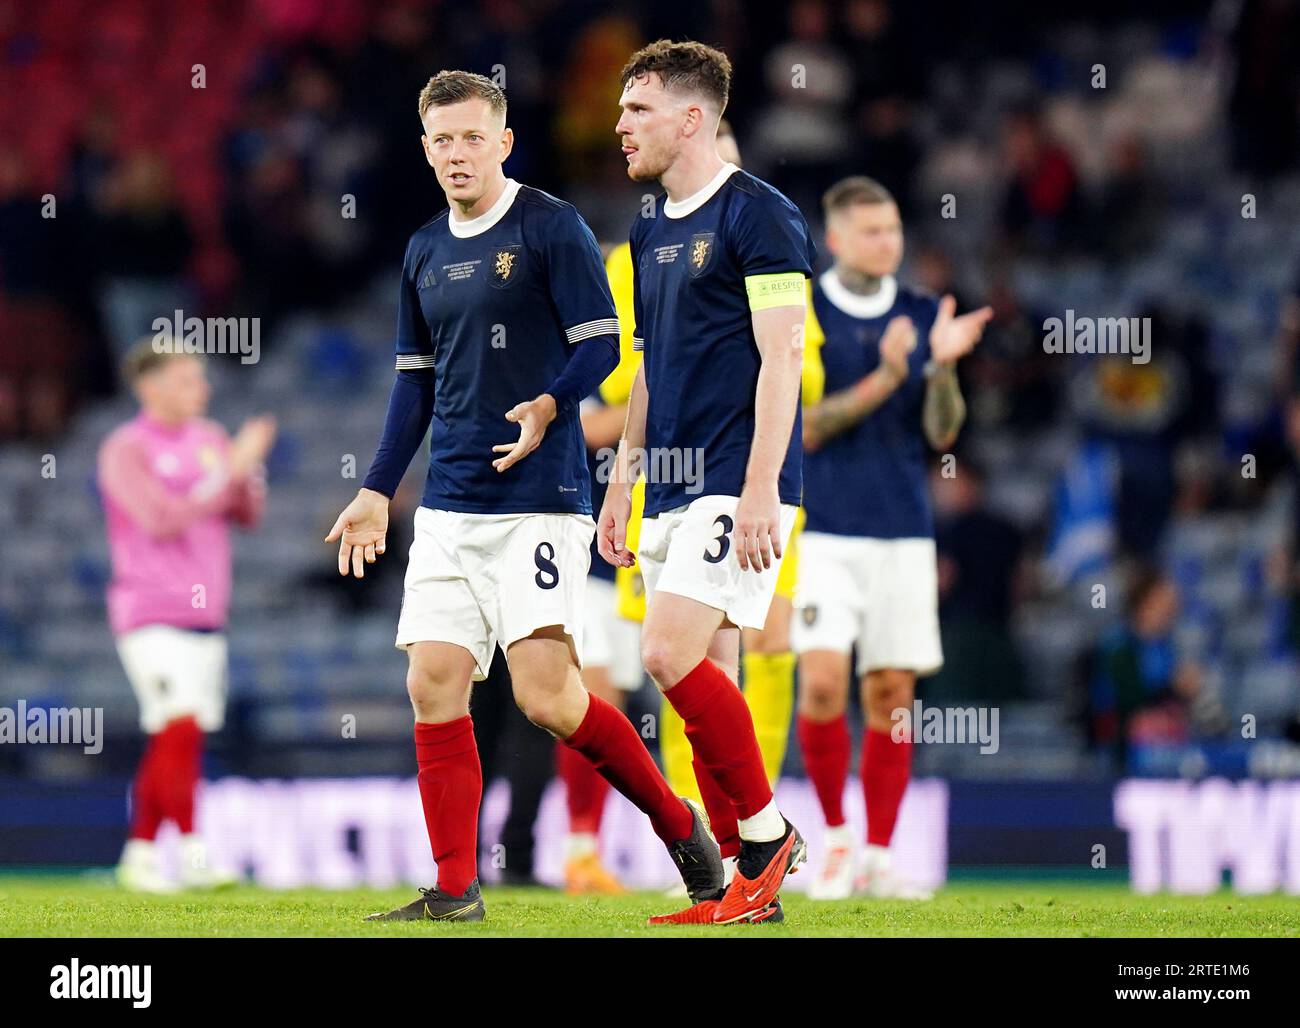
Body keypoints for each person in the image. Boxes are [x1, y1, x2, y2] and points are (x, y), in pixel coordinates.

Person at [325, 70, 723, 924]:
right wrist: (374, 489)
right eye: (443, 140)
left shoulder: (551, 226)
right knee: (433, 683)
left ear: (503, 141)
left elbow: (603, 343)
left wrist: (551, 405)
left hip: (539, 500)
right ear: (425, 148)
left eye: (474, 137)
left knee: (549, 699)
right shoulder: (424, 247)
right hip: (447, 508)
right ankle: (454, 888)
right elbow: (413, 382)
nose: (458, 153)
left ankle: (677, 823)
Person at [599, 40, 815, 925]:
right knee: (701, 679)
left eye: (638, 110)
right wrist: (623, 483)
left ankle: (767, 836)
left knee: (664, 651)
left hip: (737, 479)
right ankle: (735, 884)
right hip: (674, 488)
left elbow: (784, 357)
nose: (620, 125)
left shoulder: (759, 215)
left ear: (693, 118)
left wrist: (762, 486)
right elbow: (647, 370)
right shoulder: (649, 227)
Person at [793, 176, 991, 900]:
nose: (888, 243)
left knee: (892, 694)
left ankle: (879, 852)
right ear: (838, 238)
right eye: (872, 231)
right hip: (821, 529)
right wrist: (888, 375)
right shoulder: (806, 310)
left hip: (903, 529)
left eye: (895, 230)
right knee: (819, 684)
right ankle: (836, 837)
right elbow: (804, 424)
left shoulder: (918, 311)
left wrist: (939, 369)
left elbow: (943, 431)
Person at [98, 341, 274, 892]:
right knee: (179, 722)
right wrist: (227, 472)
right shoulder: (126, 448)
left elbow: (247, 515)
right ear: (150, 388)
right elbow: (158, 518)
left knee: (180, 735)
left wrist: (247, 475)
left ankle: (142, 856)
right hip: (149, 610)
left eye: (200, 379)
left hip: (206, 612)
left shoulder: (209, 441)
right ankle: (195, 854)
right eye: (187, 380)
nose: (202, 390)